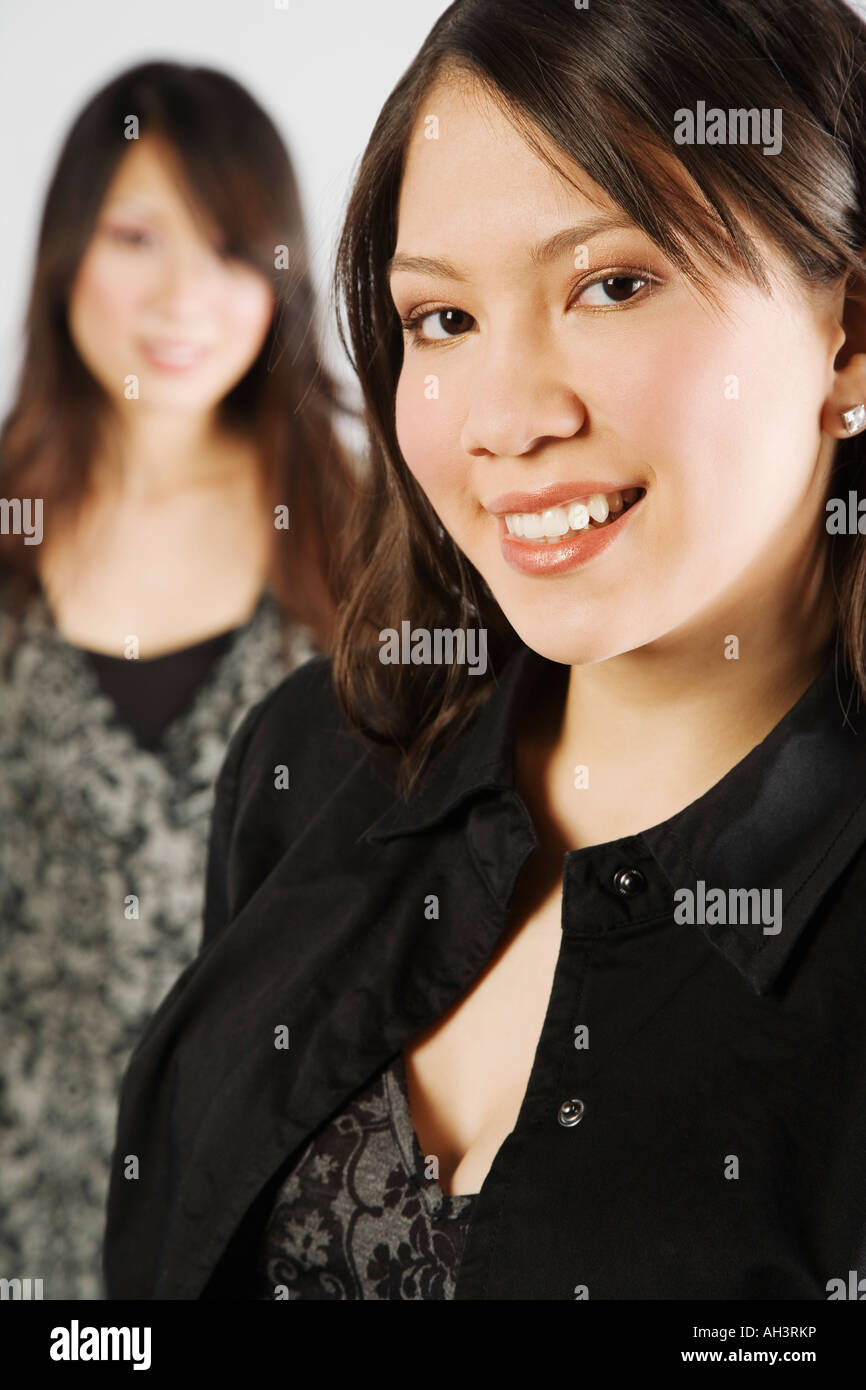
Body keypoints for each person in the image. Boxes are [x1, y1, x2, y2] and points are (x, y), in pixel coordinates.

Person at [105, 0, 866, 1300]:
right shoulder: (313, 755)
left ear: (846, 335)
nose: (506, 420)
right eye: (440, 320)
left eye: (611, 283)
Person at [0, 60, 354, 1299]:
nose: (178, 297)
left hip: (281, 1194)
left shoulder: (363, 543)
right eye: (134, 236)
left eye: (222, 247)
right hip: (28, 1204)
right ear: (62, 254)